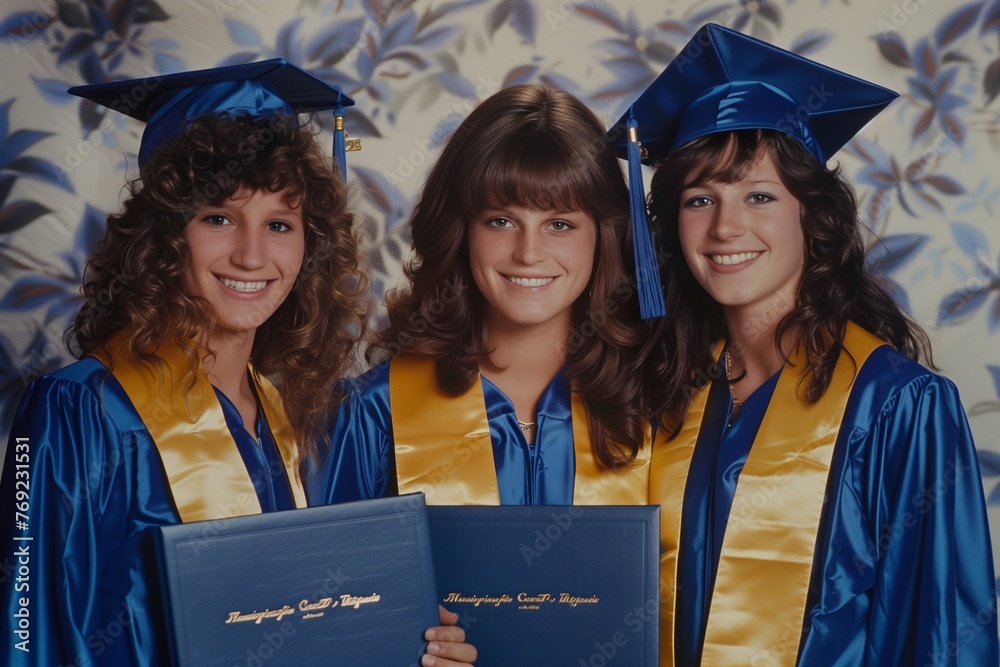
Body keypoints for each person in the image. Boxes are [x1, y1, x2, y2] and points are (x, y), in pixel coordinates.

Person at [0, 60, 474, 666]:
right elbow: (29, 632)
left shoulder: (286, 416)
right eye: (218, 217)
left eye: (280, 223)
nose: (252, 255)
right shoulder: (81, 410)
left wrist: (405, 637)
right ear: (165, 235)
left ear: (310, 246)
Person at [611, 23, 999, 666]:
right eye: (699, 198)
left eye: (759, 195)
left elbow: (942, 634)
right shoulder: (663, 391)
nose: (725, 226)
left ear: (812, 218)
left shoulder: (899, 407)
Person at [308, 83, 658, 507]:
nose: (528, 253)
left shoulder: (654, 407)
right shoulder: (372, 414)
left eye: (560, 224)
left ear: (604, 234)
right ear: (462, 231)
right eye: (500, 221)